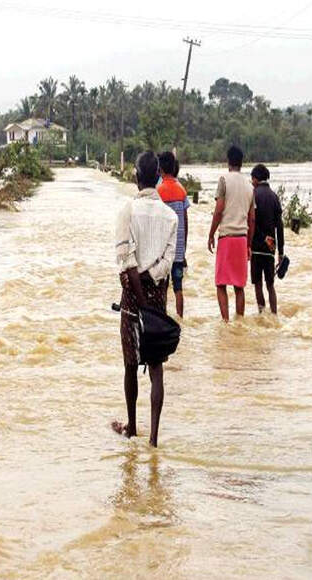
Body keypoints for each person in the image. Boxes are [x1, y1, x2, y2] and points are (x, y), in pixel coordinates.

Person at [112, 150, 178, 447]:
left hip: (131, 296)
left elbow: (124, 259)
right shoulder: (171, 217)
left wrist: (138, 292)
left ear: (137, 177)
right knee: (156, 367)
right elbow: (168, 261)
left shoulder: (126, 210)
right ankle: (153, 438)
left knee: (130, 365)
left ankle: (132, 427)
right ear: (158, 177)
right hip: (158, 296)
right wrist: (152, 286)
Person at [206, 145, 255, 322]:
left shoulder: (223, 180)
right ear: (241, 163)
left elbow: (219, 210)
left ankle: (225, 322)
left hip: (227, 237)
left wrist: (211, 234)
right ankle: (239, 322)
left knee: (221, 283)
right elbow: (252, 219)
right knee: (239, 286)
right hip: (242, 239)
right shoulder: (250, 186)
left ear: (228, 162)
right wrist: (249, 244)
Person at [156, 151, 190, 318]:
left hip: (163, 251)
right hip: (178, 250)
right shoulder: (182, 191)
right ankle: (180, 318)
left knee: (163, 287)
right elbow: (185, 221)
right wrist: (184, 247)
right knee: (178, 288)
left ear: (160, 169)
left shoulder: (158, 191)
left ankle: (162, 318)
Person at [249, 164, 284, 314]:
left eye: (252, 178)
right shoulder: (274, 197)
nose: (251, 181)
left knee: (257, 284)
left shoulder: (253, 195)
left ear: (256, 179)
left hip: (256, 247)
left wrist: (249, 243)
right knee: (270, 284)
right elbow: (280, 226)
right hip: (270, 248)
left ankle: (262, 314)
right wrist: (280, 251)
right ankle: (274, 315)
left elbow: (251, 221)